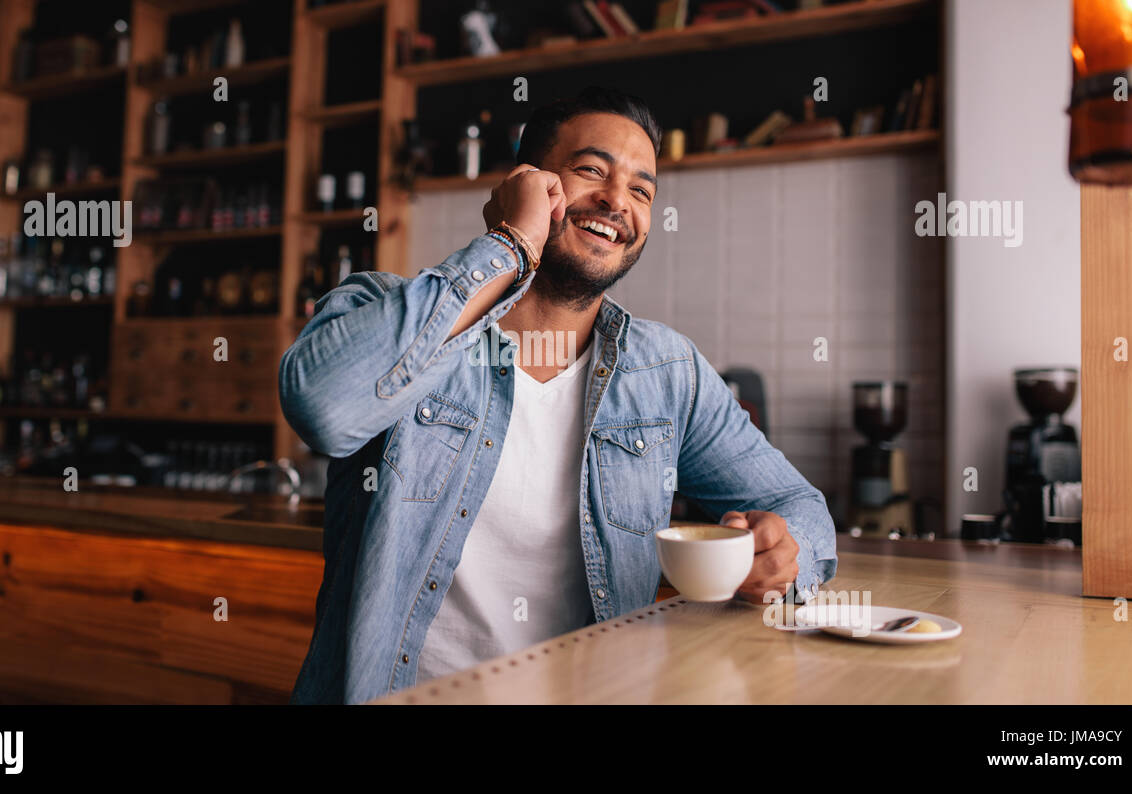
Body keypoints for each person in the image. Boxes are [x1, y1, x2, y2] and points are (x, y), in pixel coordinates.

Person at [279, 86, 837, 704]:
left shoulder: (668, 372)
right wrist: (511, 245)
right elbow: (324, 409)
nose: (617, 201)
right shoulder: (384, 310)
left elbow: (797, 505)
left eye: (642, 190)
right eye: (591, 170)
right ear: (528, 182)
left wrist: (786, 556)